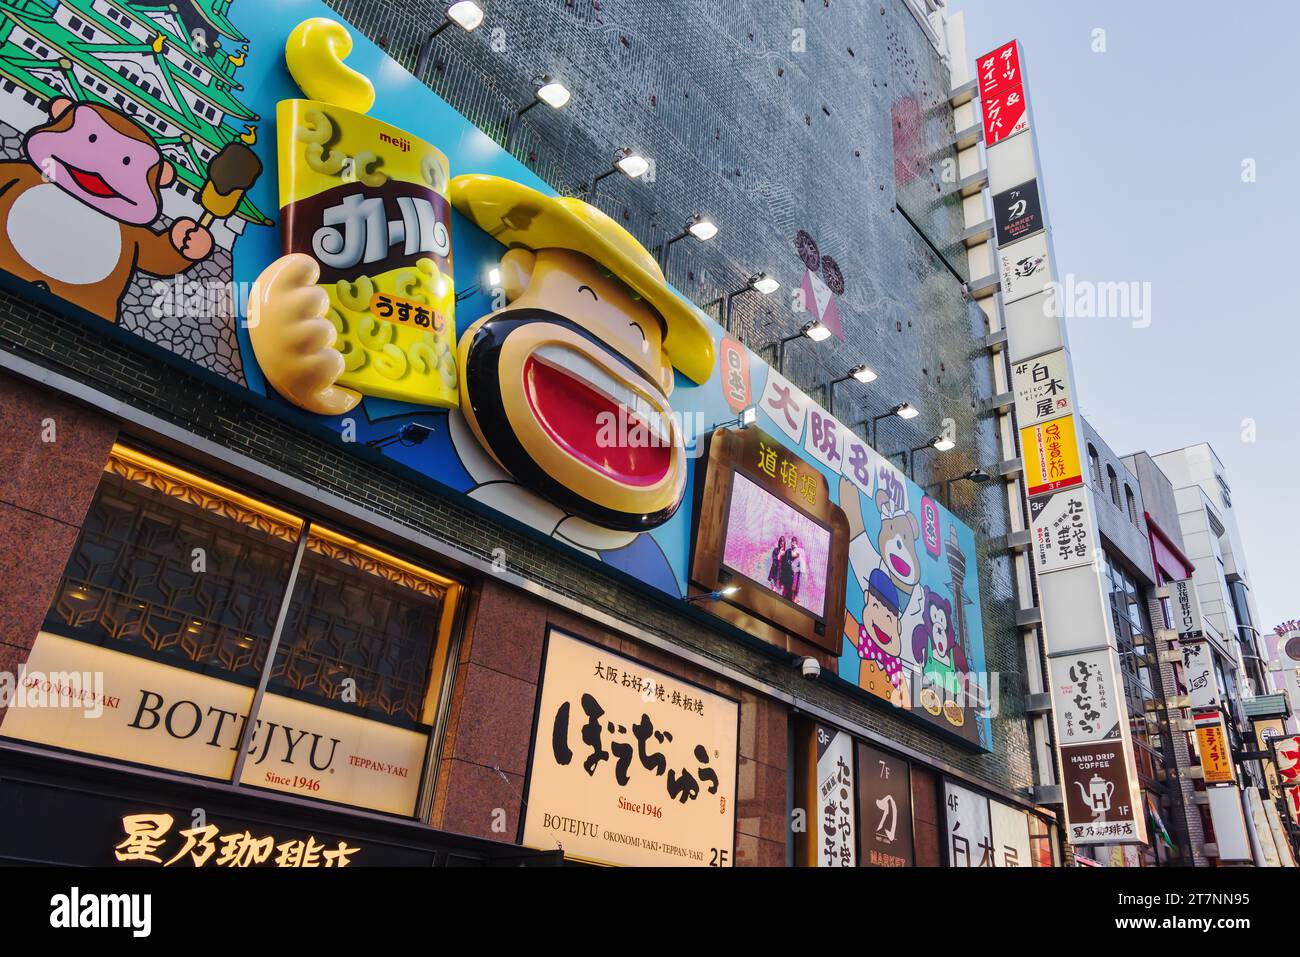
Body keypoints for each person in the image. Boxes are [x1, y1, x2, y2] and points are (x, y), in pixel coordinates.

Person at [788, 536, 805, 601]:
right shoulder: (789, 551)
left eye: (795, 542)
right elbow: (791, 557)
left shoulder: (798, 551)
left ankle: (795, 598)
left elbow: (800, 559)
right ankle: (792, 598)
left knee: (796, 585)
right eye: (793, 542)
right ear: (791, 543)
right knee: (792, 585)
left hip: (797, 572)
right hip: (791, 572)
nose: (793, 543)